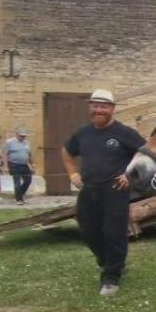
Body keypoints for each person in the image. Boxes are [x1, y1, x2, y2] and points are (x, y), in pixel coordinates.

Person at [61, 89, 145, 296]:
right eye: (95, 106)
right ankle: (109, 261)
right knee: (88, 231)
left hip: (115, 190)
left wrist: (130, 176)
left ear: (112, 109)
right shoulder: (82, 133)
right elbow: (66, 151)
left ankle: (111, 276)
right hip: (89, 189)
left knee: (113, 233)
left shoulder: (124, 133)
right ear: (90, 107)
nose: (99, 110)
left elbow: (146, 154)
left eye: (104, 106)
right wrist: (72, 173)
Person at [3, 126, 34, 205]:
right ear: (16, 135)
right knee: (17, 182)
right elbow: (5, 154)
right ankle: (18, 199)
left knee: (28, 180)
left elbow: (29, 154)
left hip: (24, 164)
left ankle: (19, 195)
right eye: (21, 136)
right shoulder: (10, 142)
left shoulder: (27, 143)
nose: (23, 137)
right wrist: (6, 166)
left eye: (24, 136)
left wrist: (32, 165)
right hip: (14, 164)